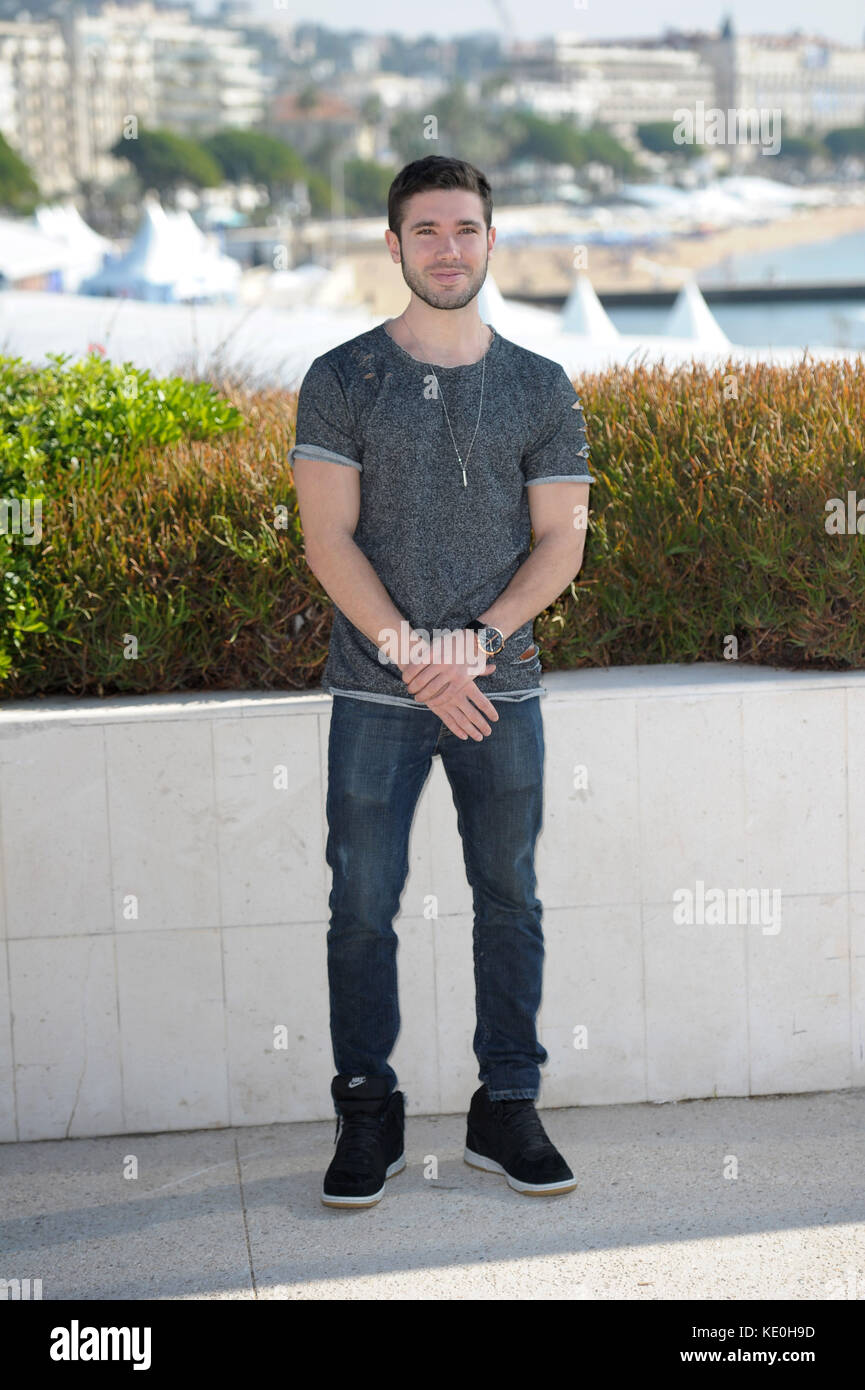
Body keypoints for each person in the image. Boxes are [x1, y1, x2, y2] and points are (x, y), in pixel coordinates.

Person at [289, 155, 594, 1208]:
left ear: (491, 241)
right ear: (393, 246)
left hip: (501, 689)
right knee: (361, 905)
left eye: (465, 229)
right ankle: (366, 1107)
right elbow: (326, 537)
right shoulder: (342, 377)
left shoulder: (541, 386)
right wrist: (414, 656)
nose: (447, 248)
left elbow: (561, 542)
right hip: (374, 693)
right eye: (425, 230)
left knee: (509, 896)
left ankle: (505, 1103)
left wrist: (475, 640)